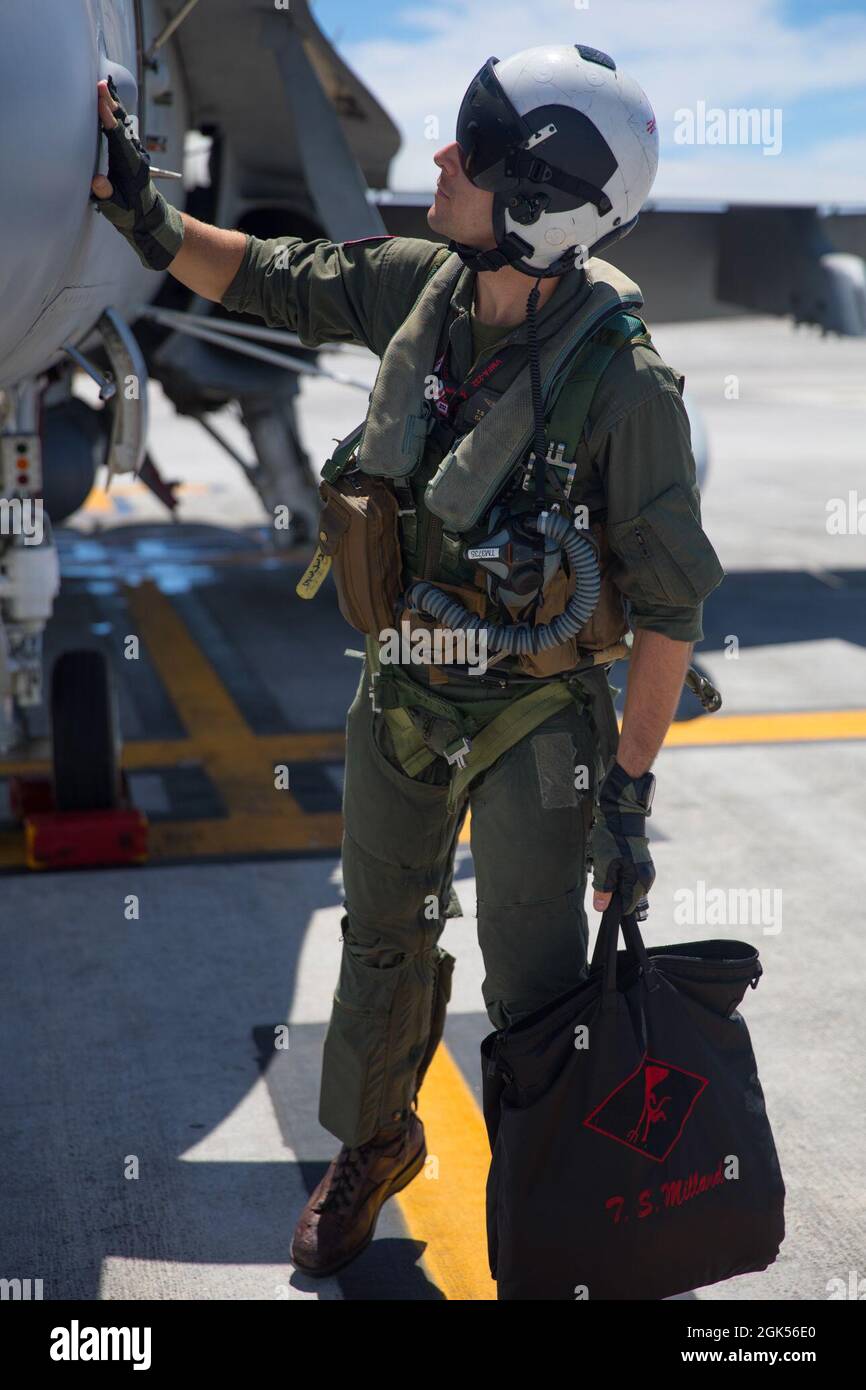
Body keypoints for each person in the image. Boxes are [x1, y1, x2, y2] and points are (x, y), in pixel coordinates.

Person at [92, 43, 724, 1279]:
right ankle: (374, 1146)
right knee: (381, 938)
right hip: (401, 695)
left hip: (537, 717)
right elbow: (273, 279)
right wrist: (140, 207)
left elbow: (668, 611)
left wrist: (629, 804)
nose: (437, 157)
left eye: (470, 148)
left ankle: (553, 1196)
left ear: (535, 202)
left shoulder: (623, 384)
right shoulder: (419, 288)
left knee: (536, 978)